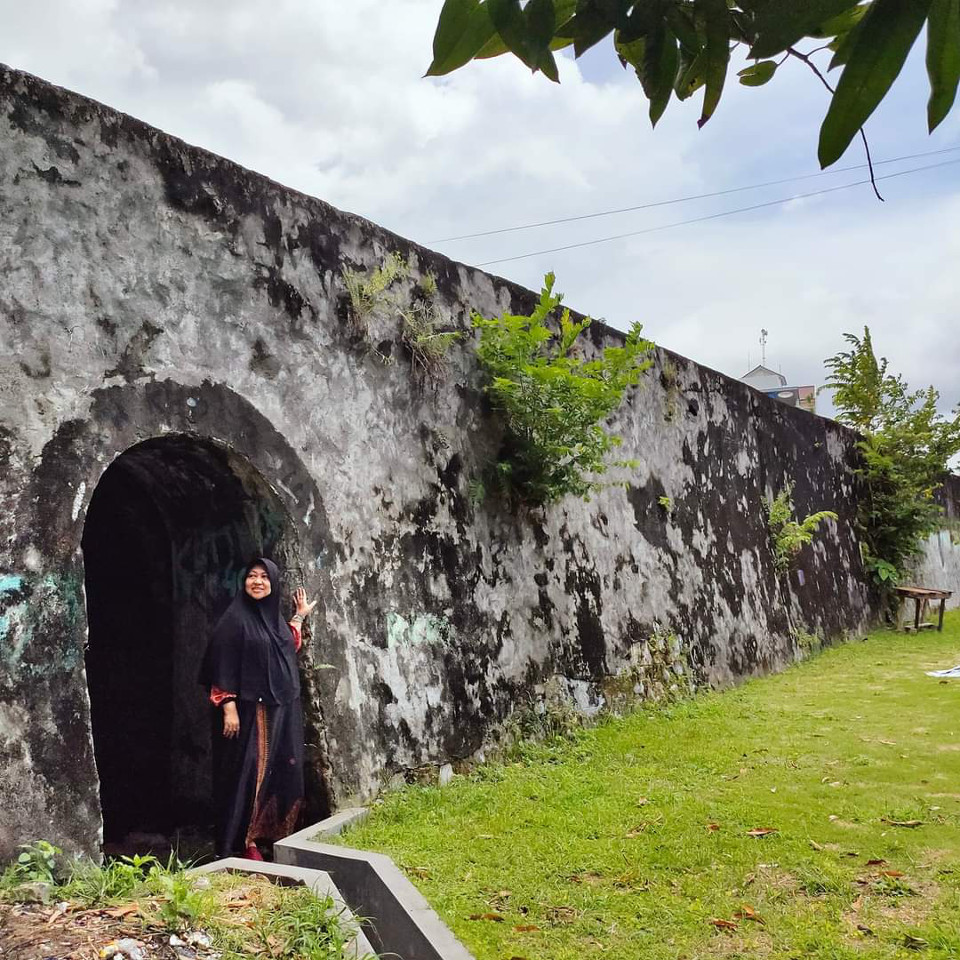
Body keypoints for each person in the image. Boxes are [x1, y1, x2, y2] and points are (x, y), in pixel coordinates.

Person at [201, 557, 317, 860]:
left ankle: (272, 835)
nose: (257, 582)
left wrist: (299, 618)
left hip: (281, 708)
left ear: (273, 583)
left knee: (281, 769)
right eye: (251, 576)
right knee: (249, 772)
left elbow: (283, 645)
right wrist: (228, 707)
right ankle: (244, 841)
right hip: (249, 712)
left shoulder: (274, 620)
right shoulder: (234, 621)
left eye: (264, 577)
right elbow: (220, 664)